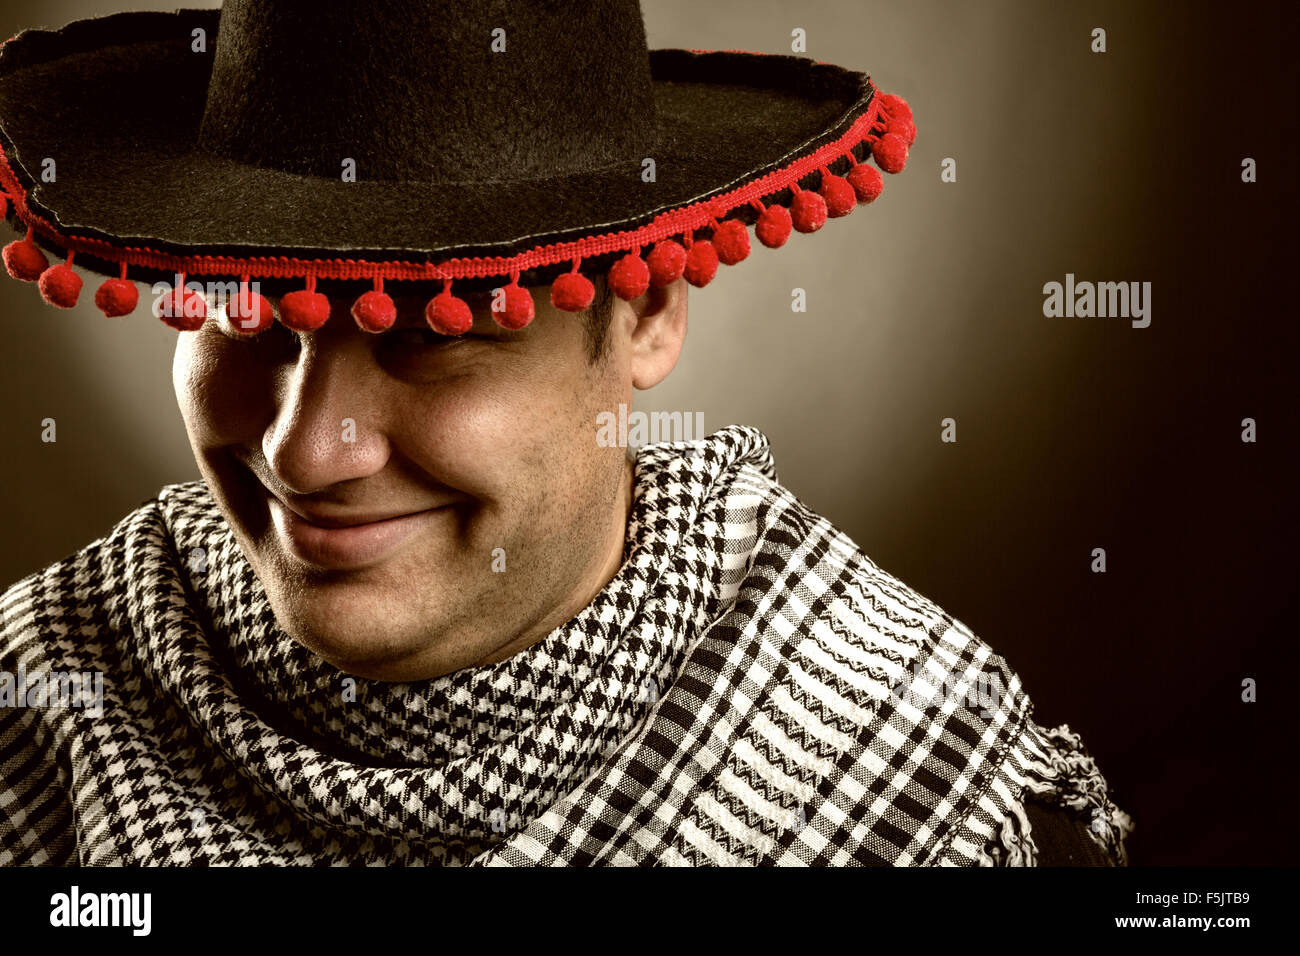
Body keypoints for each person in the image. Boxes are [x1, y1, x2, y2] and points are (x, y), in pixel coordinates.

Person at [0, 0, 1132, 866]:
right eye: (245, 316)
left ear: (642, 317)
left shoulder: (901, 768)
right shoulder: (37, 695)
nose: (304, 452)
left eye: (429, 336)